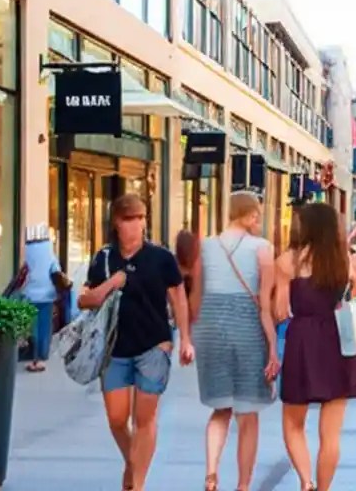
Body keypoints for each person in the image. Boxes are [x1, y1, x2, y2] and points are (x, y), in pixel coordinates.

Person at [79, 194, 193, 491]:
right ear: (117, 222)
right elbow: (86, 299)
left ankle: (137, 484)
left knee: (146, 418)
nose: (137, 224)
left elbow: (178, 296)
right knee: (117, 419)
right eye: (130, 219)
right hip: (114, 349)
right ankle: (134, 461)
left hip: (153, 345)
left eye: (141, 218)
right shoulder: (104, 258)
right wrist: (112, 283)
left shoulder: (160, 257)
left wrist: (184, 339)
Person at [191, 192, 281, 491]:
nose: (260, 220)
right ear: (251, 215)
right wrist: (272, 350)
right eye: (258, 214)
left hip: (211, 327)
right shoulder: (263, 249)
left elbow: (196, 295)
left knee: (220, 409)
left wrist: (191, 335)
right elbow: (265, 307)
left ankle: (211, 471)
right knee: (248, 414)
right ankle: (243, 486)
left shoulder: (204, 245)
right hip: (246, 328)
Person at [276, 203, 356, 491]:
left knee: (292, 421)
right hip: (339, 341)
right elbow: (354, 298)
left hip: (303, 340)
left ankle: (306, 480)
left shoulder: (289, 261)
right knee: (331, 435)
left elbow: (279, 310)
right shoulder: (347, 261)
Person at [22, 235, 65, 372]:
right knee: (45, 326)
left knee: (33, 326)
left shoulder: (27, 252)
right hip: (47, 295)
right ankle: (42, 356)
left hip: (30, 295)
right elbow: (56, 272)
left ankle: (33, 357)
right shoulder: (50, 255)